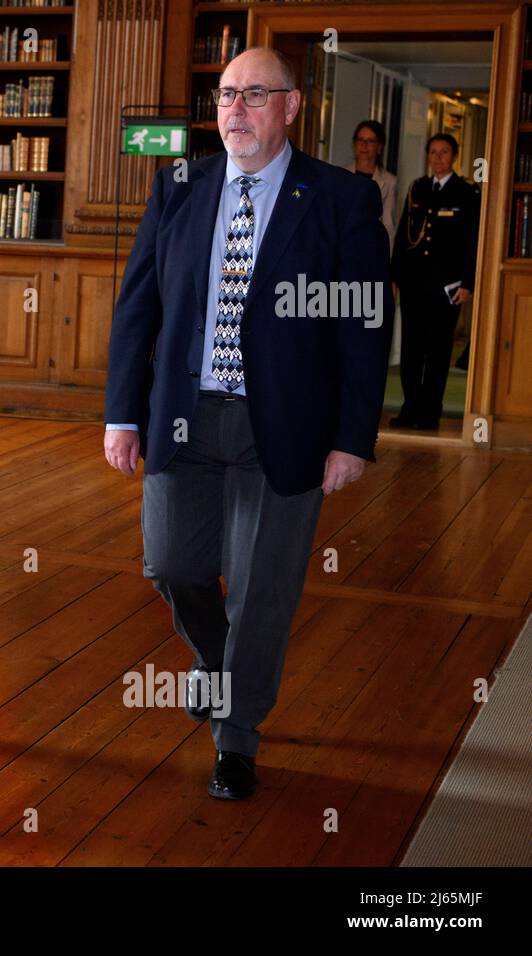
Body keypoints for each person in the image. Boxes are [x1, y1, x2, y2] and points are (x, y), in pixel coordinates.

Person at [104, 47, 392, 799]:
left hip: (286, 428)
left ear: (292, 108)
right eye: (227, 94)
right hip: (183, 418)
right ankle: (217, 658)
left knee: (261, 589)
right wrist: (120, 415)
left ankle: (238, 736)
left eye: (255, 95)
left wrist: (351, 437)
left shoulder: (339, 199)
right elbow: (139, 308)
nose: (235, 109)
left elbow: (364, 326)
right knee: (172, 565)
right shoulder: (179, 188)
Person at [389, 132, 481, 430]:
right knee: (412, 350)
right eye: (433, 152)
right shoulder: (418, 188)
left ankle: (430, 411)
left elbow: (472, 242)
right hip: (415, 284)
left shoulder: (466, 192)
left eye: (444, 152)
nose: (437, 158)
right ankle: (410, 407)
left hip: (446, 287)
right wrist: (395, 276)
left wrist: (468, 282)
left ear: (454, 156)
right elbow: (404, 236)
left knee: (438, 352)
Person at [344, 119, 398, 254]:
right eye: (360, 140)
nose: (364, 145)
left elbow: (388, 224)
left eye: (370, 141)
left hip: (371, 247)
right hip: (344, 245)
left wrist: (387, 257)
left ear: (379, 147)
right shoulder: (342, 174)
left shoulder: (390, 181)